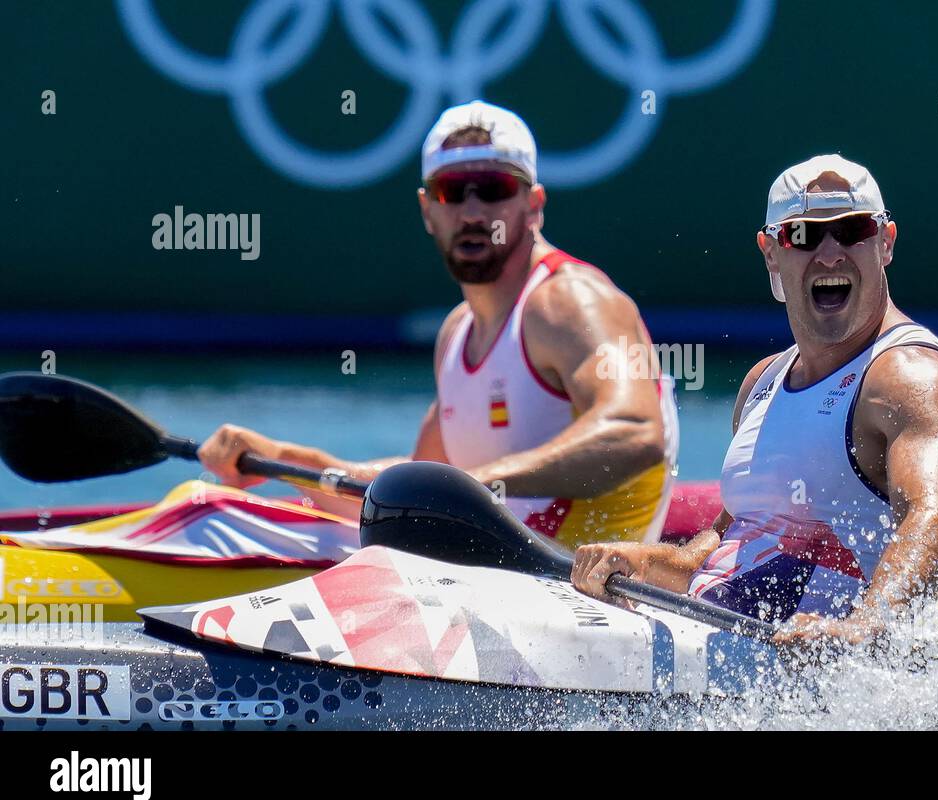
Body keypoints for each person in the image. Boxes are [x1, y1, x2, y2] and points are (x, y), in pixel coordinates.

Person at [199, 101, 679, 548]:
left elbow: (636, 431)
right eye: (452, 192)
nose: (472, 213)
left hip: (576, 590)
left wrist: (480, 481)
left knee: (224, 531)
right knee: (213, 511)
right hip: (492, 575)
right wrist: (284, 459)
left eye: (493, 189)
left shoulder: (568, 301)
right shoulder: (457, 332)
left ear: (533, 203)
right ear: (428, 209)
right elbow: (417, 483)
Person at [571, 154, 938, 646]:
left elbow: (937, 517)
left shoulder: (915, 379)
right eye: (804, 235)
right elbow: (722, 548)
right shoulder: (761, 384)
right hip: (725, 649)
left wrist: (868, 626)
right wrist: (644, 562)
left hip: (828, 683)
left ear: (886, 243)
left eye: (852, 230)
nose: (830, 254)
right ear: (771, 251)